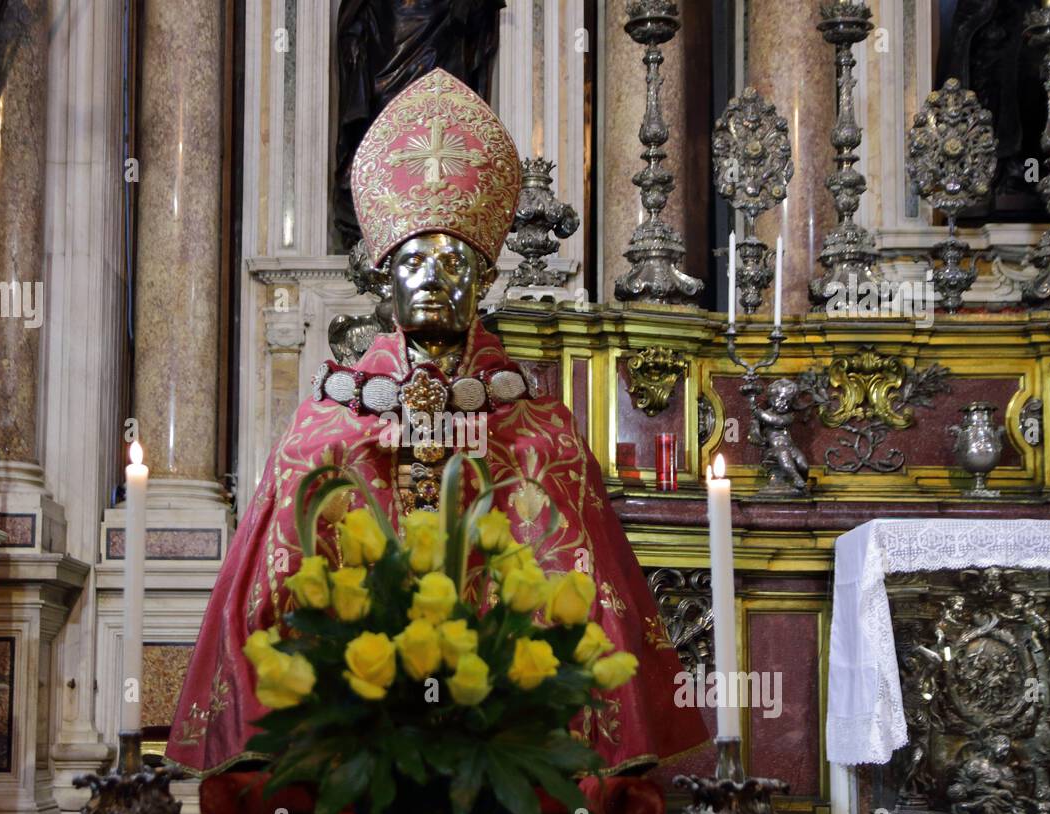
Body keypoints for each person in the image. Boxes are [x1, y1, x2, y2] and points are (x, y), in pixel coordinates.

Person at [166, 69, 707, 778]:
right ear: (384, 277)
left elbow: (583, 587)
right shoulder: (324, 427)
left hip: (511, 743)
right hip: (346, 742)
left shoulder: (541, 432)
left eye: (452, 262)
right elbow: (277, 585)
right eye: (412, 260)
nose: (430, 278)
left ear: (484, 283)